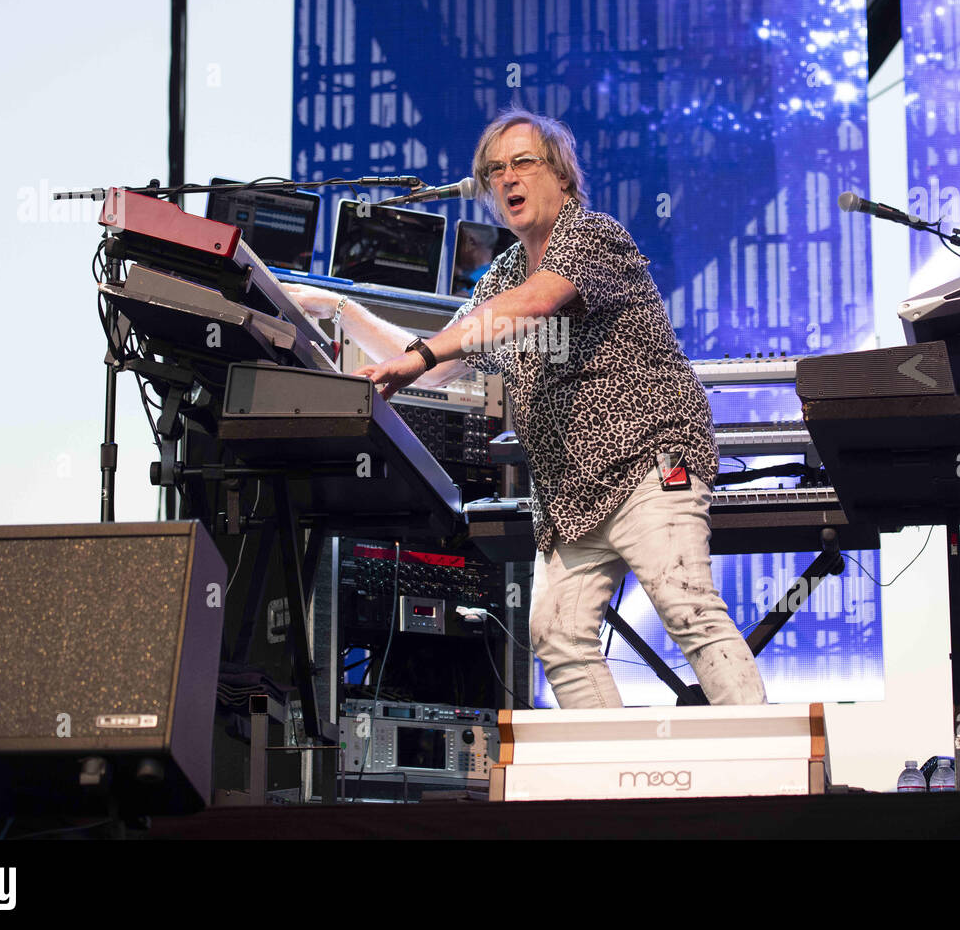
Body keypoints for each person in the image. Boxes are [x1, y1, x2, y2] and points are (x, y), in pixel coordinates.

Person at [287, 109, 766, 708]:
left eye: (522, 163)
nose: (507, 178)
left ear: (562, 175)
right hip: (572, 494)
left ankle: (768, 780)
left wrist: (418, 354)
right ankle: (611, 788)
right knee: (558, 635)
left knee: (688, 607)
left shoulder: (592, 236)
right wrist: (336, 308)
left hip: (649, 463)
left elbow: (533, 305)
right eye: (494, 171)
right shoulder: (503, 276)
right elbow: (448, 355)